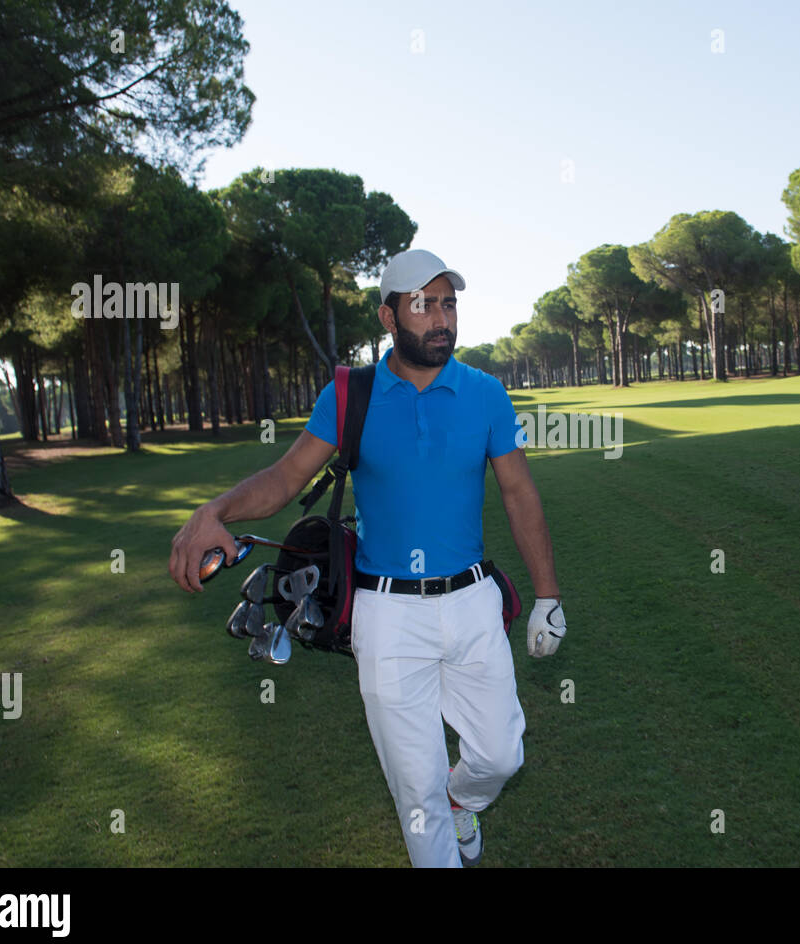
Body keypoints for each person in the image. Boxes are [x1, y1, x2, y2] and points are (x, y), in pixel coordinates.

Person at [168, 248, 566, 867]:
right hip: (385, 616)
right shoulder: (350, 395)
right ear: (389, 317)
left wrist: (547, 597)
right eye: (423, 305)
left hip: (471, 603)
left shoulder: (486, 393)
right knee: (417, 792)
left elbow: (518, 492)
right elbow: (283, 479)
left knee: (500, 755)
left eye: (448, 303)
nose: (441, 319)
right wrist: (213, 511)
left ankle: (465, 803)